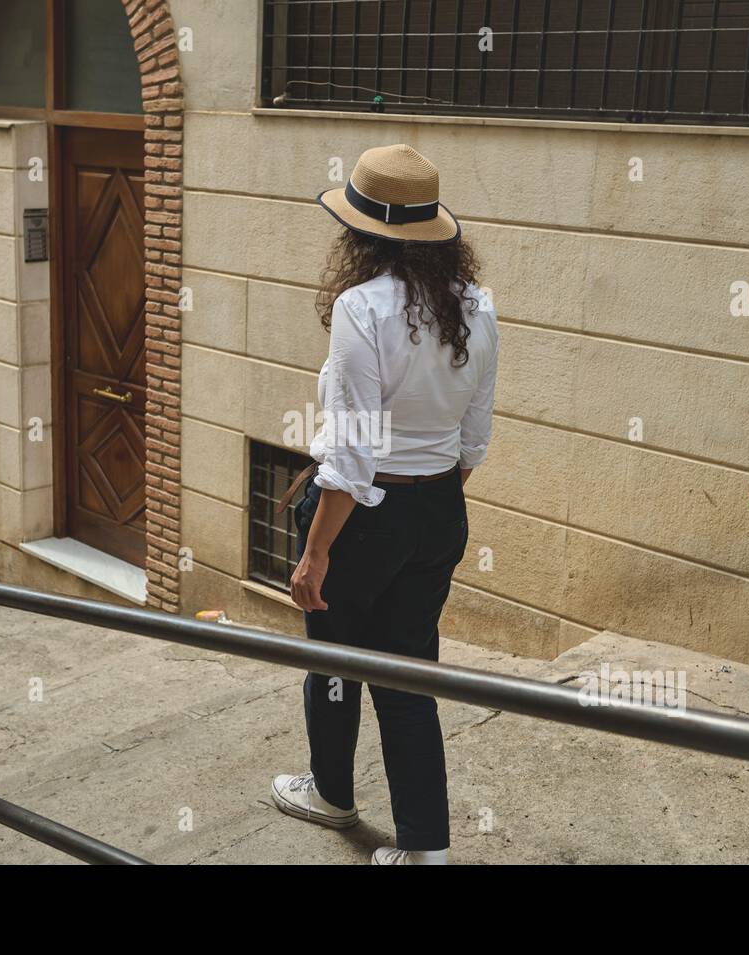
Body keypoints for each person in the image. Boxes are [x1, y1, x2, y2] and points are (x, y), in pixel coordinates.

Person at [269, 144, 499, 865]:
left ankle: (333, 793)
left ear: (359, 235)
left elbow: (353, 454)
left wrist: (316, 552)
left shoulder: (358, 307)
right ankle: (425, 848)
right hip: (439, 511)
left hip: (362, 515)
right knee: (409, 678)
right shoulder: (477, 305)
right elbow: (473, 438)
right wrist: (422, 509)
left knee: (336, 663)